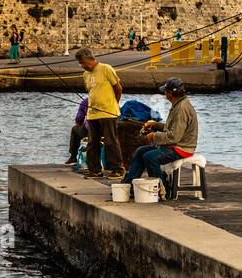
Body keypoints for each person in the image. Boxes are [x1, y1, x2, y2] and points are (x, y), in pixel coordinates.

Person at [123, 78, 199, 196]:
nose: (164, 94)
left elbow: (174, 137)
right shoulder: (178, 104)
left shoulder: (181, 109)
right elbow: (173, 129)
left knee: (150, 157)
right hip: (174, 145)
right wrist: (155, 125)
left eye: (165, 92)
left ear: (170, 93)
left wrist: (154, 136)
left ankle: (162, 189)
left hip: (182, 148)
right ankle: (128, 185)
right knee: (140, 151)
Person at [76, 50, 123, 179]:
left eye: (84, 63)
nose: (83, 66)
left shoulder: (106, 69)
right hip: (92, 114)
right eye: (81, 64)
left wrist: (114, 104)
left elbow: (118, 88)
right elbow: (92, 92)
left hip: (108, 112)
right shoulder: (85, 74)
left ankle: (117, 169)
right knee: (92, 143)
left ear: (91, 59)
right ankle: (94, 169)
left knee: (110, 141)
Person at [66, 97, 89, 166]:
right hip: (108, 131)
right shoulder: (111, 100)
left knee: (74, 129)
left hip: (91, 131)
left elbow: (79, 119)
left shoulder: (86, 101)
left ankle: (73, 156)